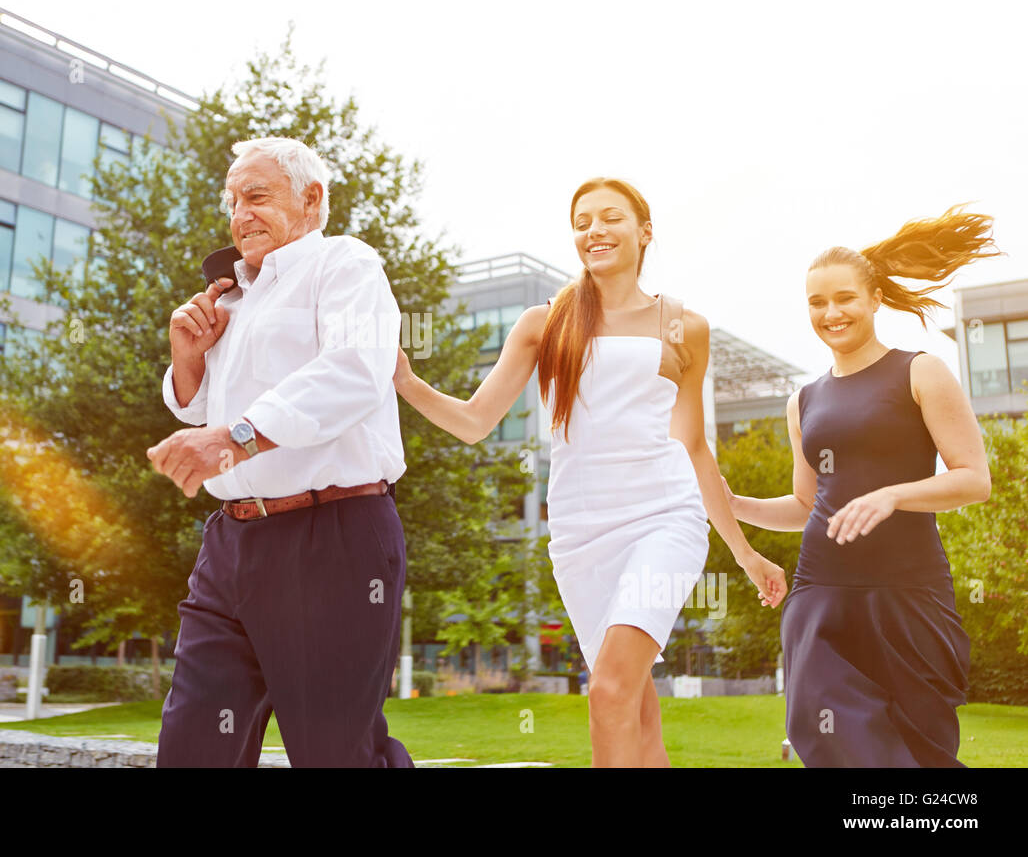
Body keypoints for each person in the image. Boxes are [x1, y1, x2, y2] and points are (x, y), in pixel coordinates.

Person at [393, 177, 787, 766]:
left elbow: (695, 449)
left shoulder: (684, 326)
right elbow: (476, 421)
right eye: (582, 222)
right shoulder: (544, 322)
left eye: (611, 218)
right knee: (637, 713)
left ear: (644, 231)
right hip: (580, 534)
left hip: (664, 518)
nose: (594, 230)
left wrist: (744, 552)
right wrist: (406, 380)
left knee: (606, 692)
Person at [146, 136, 413, 767]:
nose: (240, 214)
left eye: (257, 196)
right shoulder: (230, 298)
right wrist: (187, 361)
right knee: (192, 752)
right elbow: (200, 407)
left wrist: (232, 438)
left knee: (333, 754)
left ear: (312, 199)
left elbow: (353, 372)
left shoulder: (346, 266)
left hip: (334, 536)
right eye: (232, 201)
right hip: (231, 545)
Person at [722, 206, 999, 767]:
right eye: (817, 302)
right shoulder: (803, 401)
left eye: (845, 298)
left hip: (909, 594)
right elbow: (806, 505)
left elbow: (974, 480)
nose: (831, 312)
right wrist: (731, 504)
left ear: (875, 299)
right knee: (824, 732)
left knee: (922, 753)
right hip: (823, 591)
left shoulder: (920, 372)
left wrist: (894, 494)